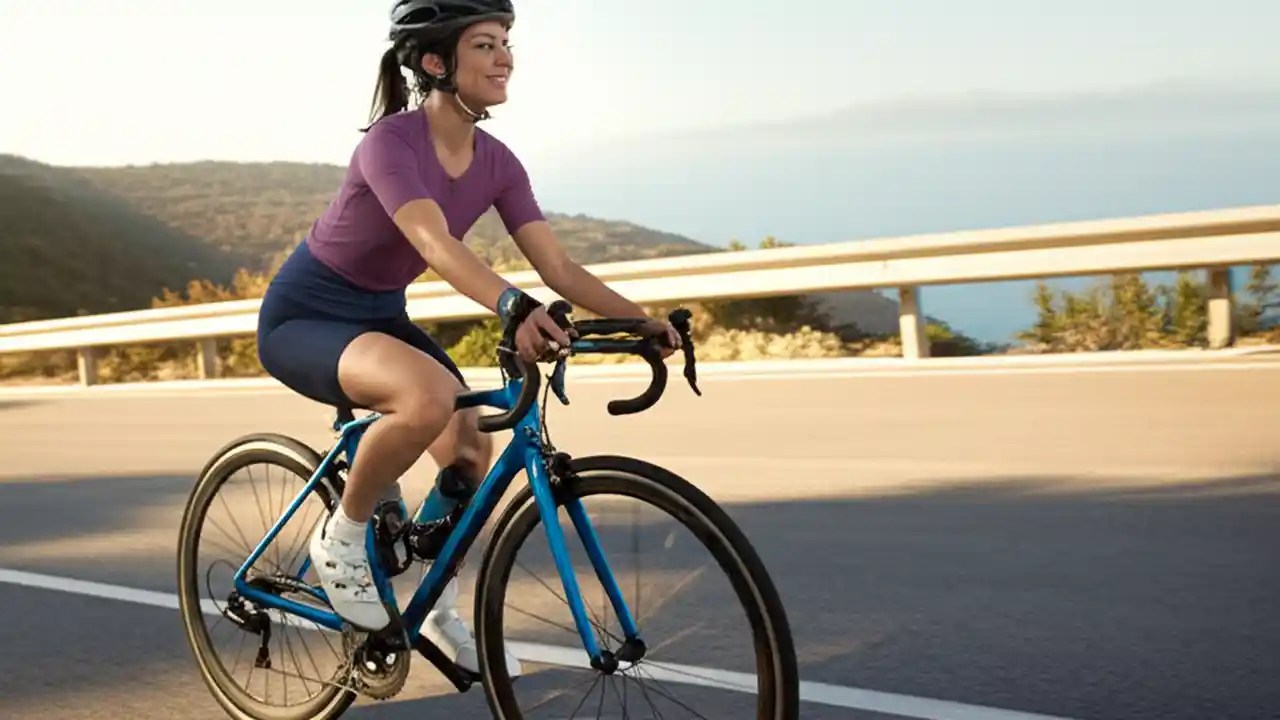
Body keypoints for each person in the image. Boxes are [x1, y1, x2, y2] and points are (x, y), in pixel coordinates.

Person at [254, 0, 679, 677]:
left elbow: (560, 268)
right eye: (485, 44)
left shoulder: (500, 163)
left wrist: (640, 319)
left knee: (473, 444)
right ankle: (344, 537)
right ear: (434, 62)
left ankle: (427, 596)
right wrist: (512, 306)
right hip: (307, 317)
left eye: (506, 41)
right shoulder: (390, 143)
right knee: (425, 399)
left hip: (380, 318)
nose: (505, 56)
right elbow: (432, 240)